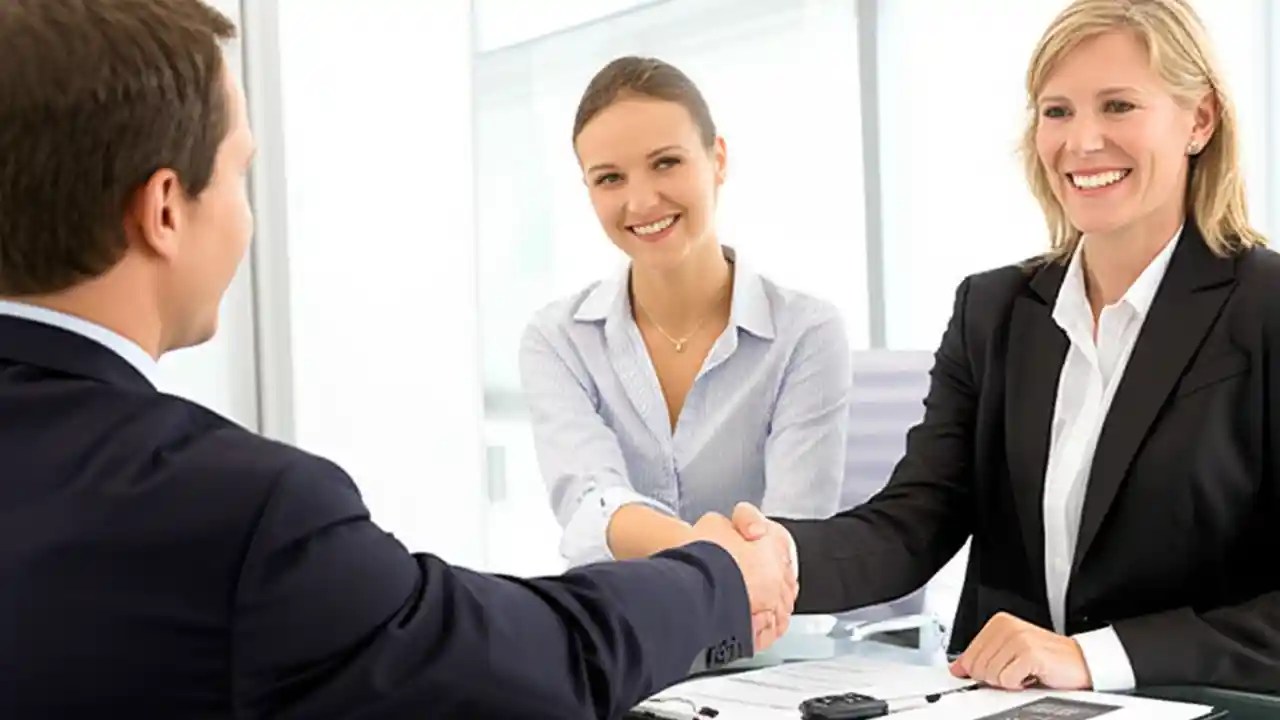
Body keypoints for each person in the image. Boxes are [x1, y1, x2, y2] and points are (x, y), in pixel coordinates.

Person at [0, 2, 797, 718]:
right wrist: (715, 579)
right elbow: (525, 661)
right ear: (166, 210)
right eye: (240, 171)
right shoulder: (240, 513)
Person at [732, 0, 1280, 694]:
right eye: (1057, 111)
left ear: (1198, 121)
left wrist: (1090, 657)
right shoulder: (992, 310)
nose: (1081, 142)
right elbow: (913, 525)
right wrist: (776, 556)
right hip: (1002, 707)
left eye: (1117, 106)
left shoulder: (1265, 309)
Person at [520, 56, 851, 570]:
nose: (641, 200)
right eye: (609, 178)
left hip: (770, 639)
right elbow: (590, 506)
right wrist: (721, 559)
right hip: (623, 635)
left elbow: (789, 534)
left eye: (666, 163)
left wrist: (715, 566)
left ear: (717, 159)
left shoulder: (806, 332)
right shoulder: (558, 339)